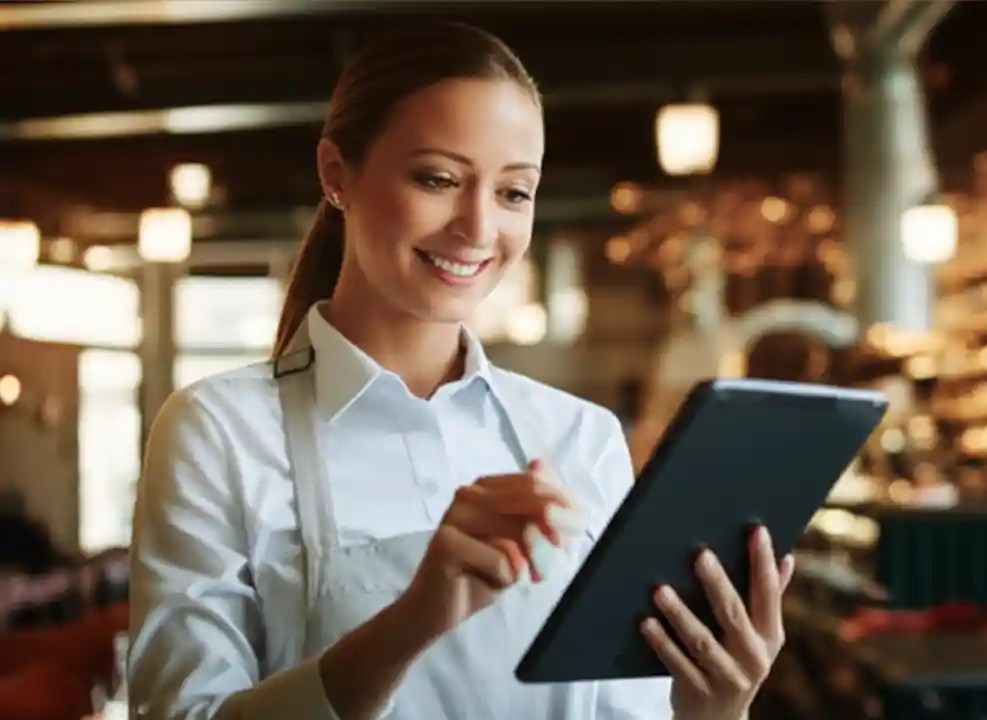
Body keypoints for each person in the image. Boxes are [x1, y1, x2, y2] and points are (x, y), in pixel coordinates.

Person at [128, 23, 795, 720]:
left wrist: (713, 709)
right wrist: (413, 620)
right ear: (336, 175)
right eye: (439, 179)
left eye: (514, 193)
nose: (478, 229)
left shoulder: (582, 439)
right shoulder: (220, 432)